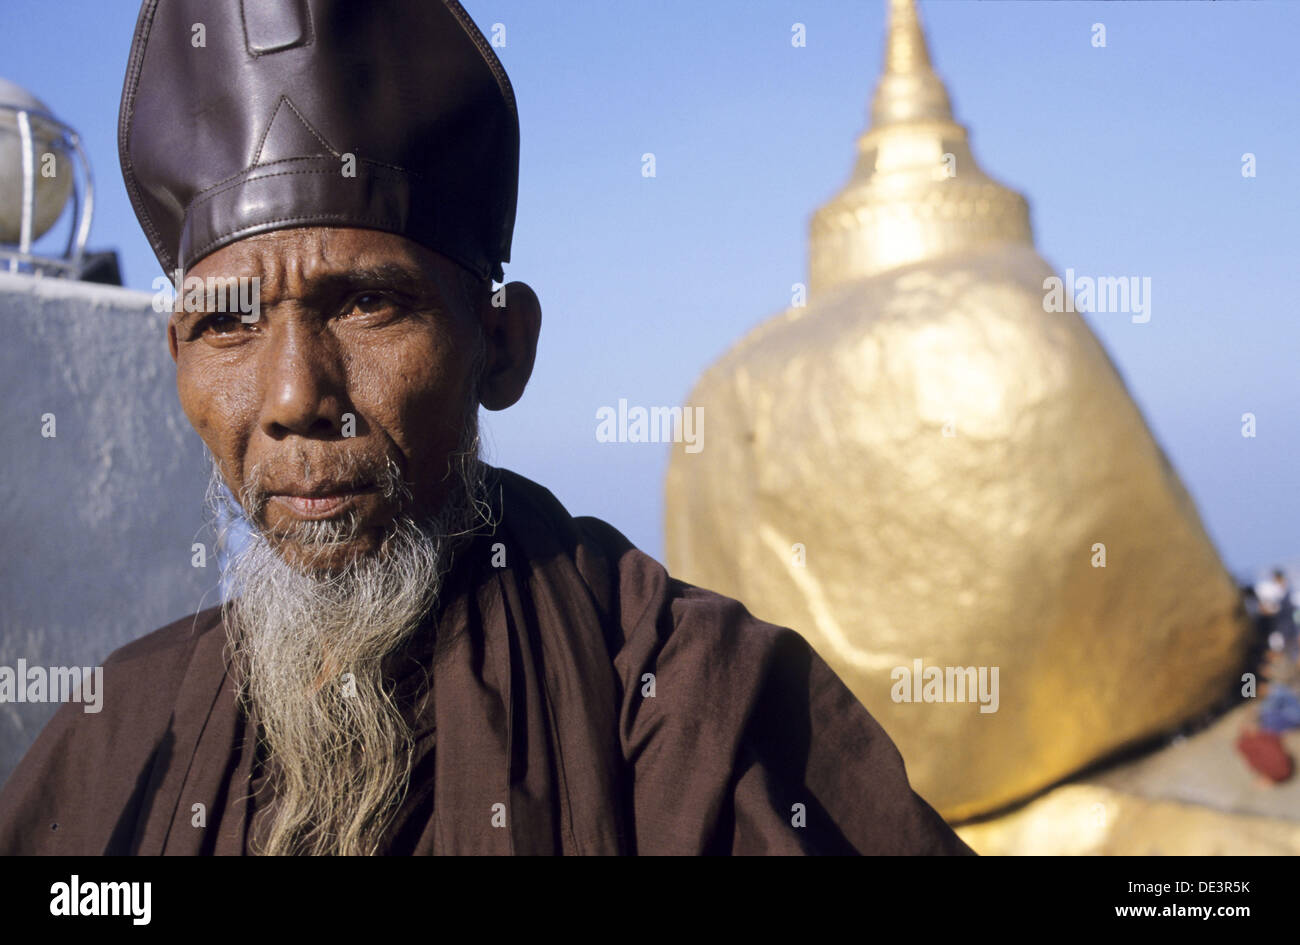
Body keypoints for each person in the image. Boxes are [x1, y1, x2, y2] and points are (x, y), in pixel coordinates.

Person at [0, 0, 971, 856]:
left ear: (503, 347)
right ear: (179, 366)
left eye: (369, 303)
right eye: (229, 322)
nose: (296, 395)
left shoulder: (690, 702)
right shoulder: (116, 738)